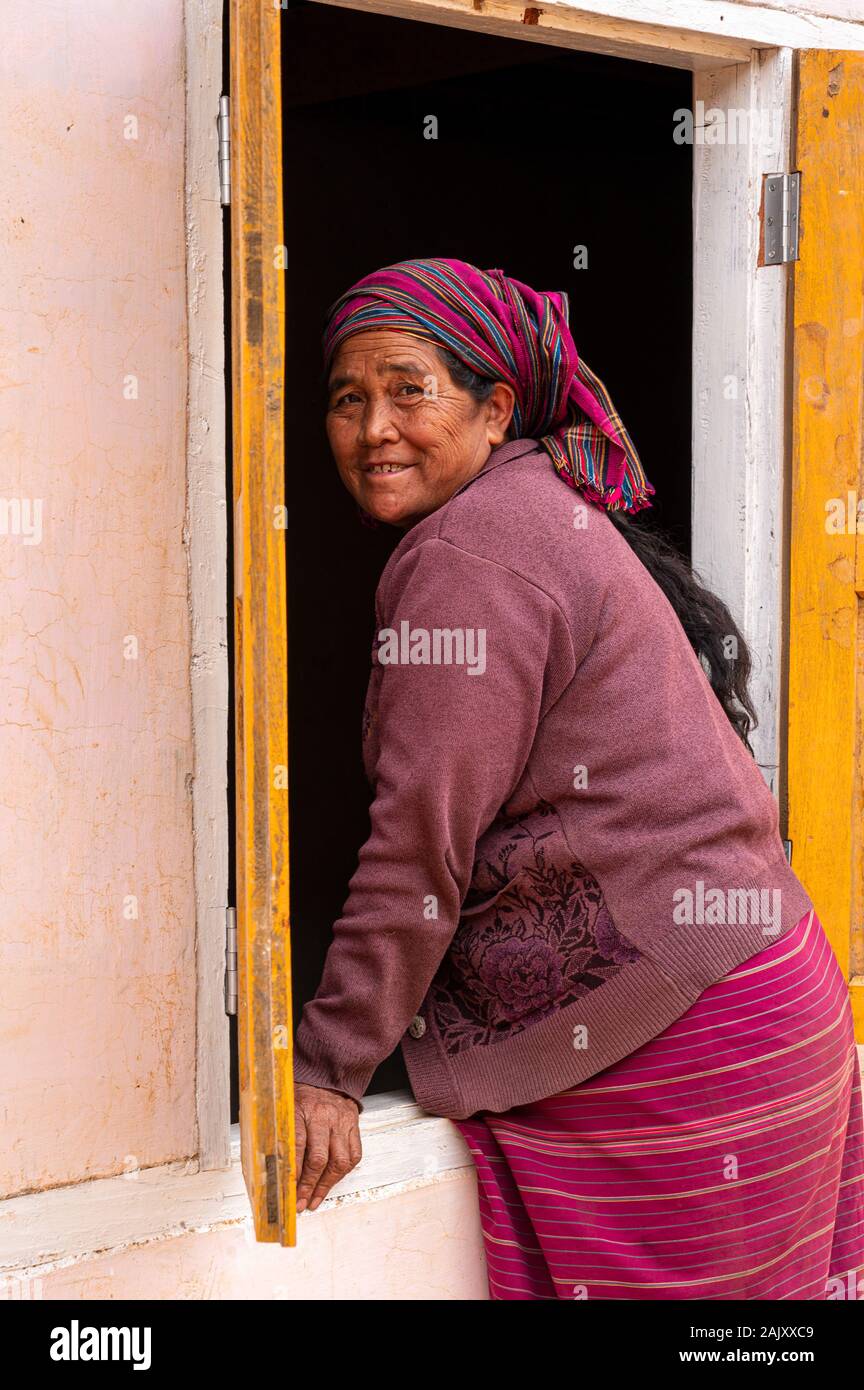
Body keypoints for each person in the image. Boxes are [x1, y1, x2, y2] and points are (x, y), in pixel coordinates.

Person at [292, 256, 864, 1300]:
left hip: (686, 1055)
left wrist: (327, 1066)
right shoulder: (534, 509)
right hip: (762, 1006)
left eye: (409, 389)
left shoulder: (470, 554)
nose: (375, 427)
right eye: (346, 397)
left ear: (495, 405)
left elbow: (421, 842)